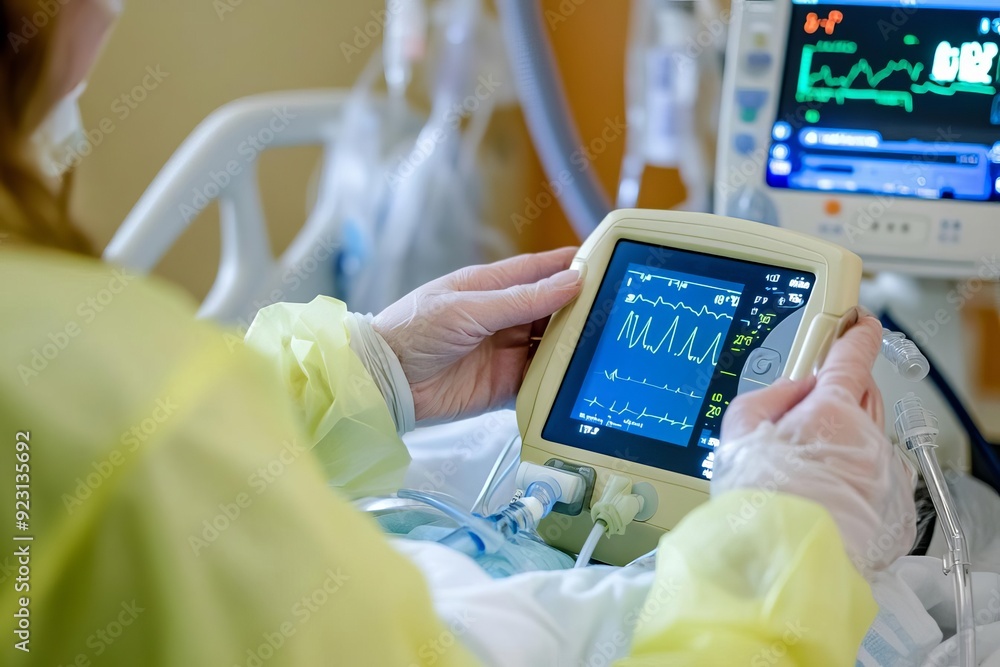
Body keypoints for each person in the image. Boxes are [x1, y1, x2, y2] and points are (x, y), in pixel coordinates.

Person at [0, 1, 916, 665]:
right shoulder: (129, 402)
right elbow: (140, 456)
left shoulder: (76, 364)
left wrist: (362, 371)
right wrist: (782, 554)